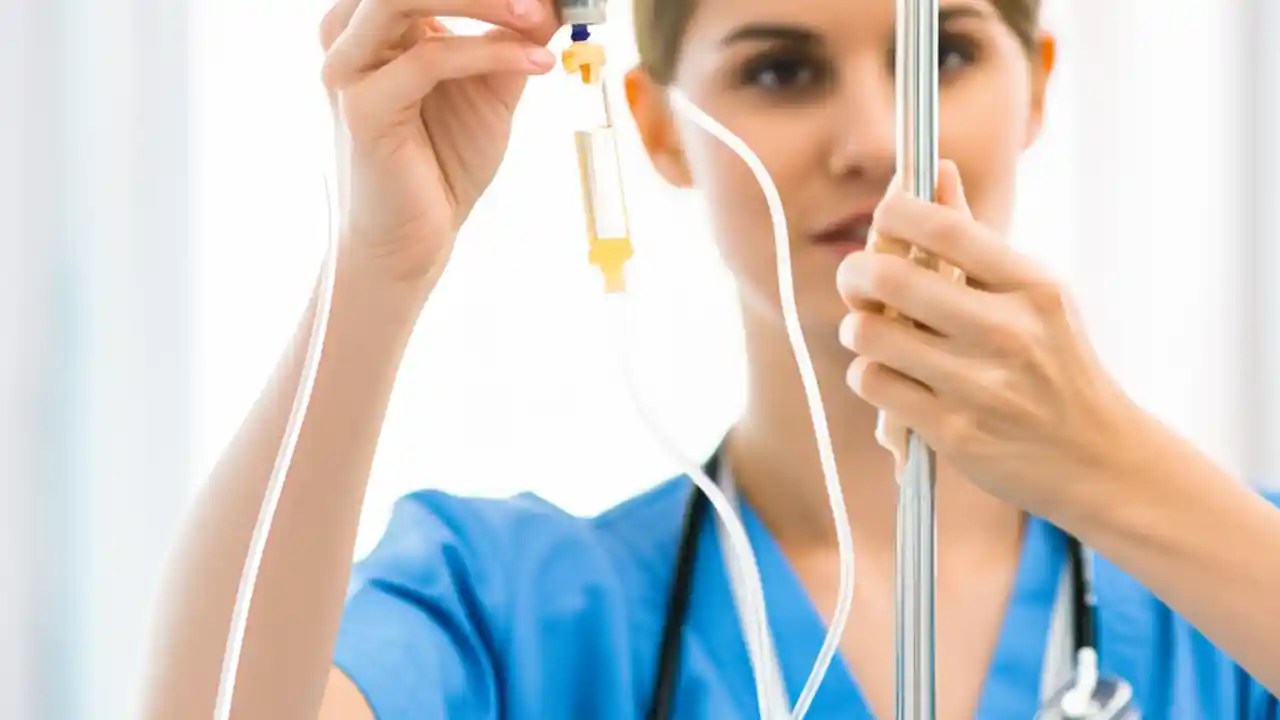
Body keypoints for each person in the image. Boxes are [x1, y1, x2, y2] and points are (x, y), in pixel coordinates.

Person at [139, 0, 1280, 717]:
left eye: (944, 51)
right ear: (651, 125)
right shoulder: (515, 614)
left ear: (1035, 86)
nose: (874, 141)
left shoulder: (1228, 590)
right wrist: (375, 265)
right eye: (779, 70)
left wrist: (1108, 467)